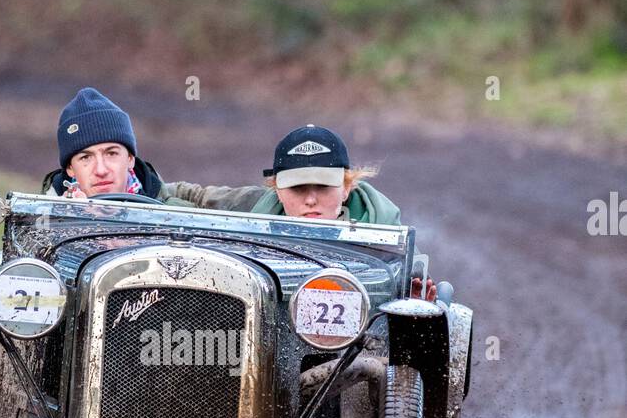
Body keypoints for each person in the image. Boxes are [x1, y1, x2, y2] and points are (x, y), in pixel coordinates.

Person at [166, 124, 437, 298]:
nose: (310, 199)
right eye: (297, 188)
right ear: (278, 191)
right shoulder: (254, 209)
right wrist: (138, 181)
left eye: (322, 186)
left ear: (346, 188)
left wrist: (411, 303)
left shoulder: (385, 236)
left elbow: (416, 292)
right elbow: (194, 196)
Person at [41, 87, 191, 205]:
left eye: (111, 153)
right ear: (70, 169)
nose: (101, 170)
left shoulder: (178, 202)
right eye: (86, 157)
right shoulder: (40, 223)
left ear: (130, 158)